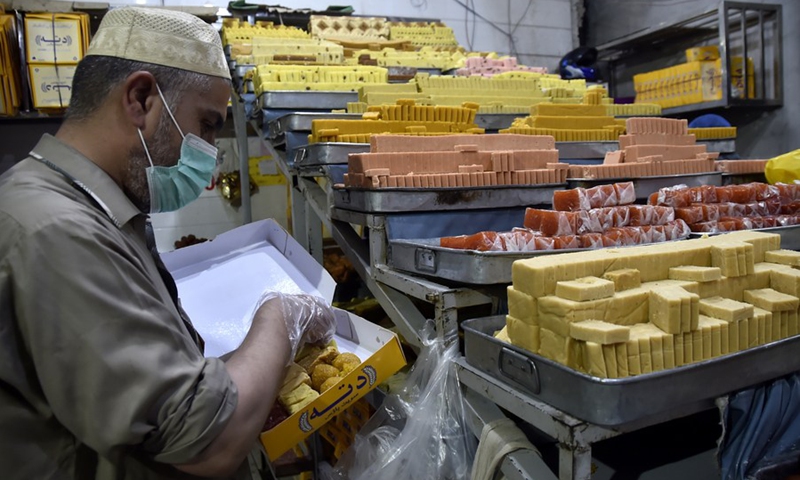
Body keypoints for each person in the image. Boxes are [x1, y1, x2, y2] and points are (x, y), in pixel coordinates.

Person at [0, 7, 335, 479]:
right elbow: (209, 444)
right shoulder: (56, 232)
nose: (210, 151)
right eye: (206, 124)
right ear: (140, 98)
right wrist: (279, 317)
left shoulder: (91, 212)